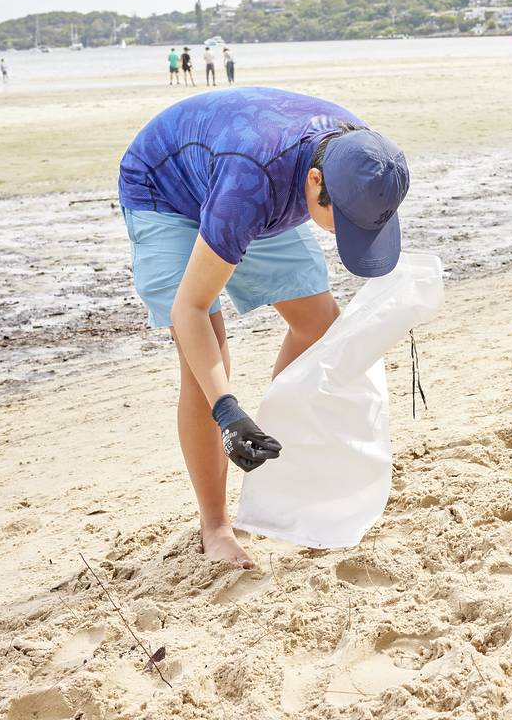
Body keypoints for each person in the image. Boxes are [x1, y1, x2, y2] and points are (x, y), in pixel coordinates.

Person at [117, 87, 410, 567]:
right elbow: (188, 309)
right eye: (345, 223)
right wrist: (227, 411)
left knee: (319, 324)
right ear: (316, 183)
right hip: (166, 189)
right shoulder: (248, 185)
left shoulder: (366, 159)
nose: (345, 237)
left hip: (253, 174)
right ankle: (215, 526)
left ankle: (276, 462)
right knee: (205, 361)